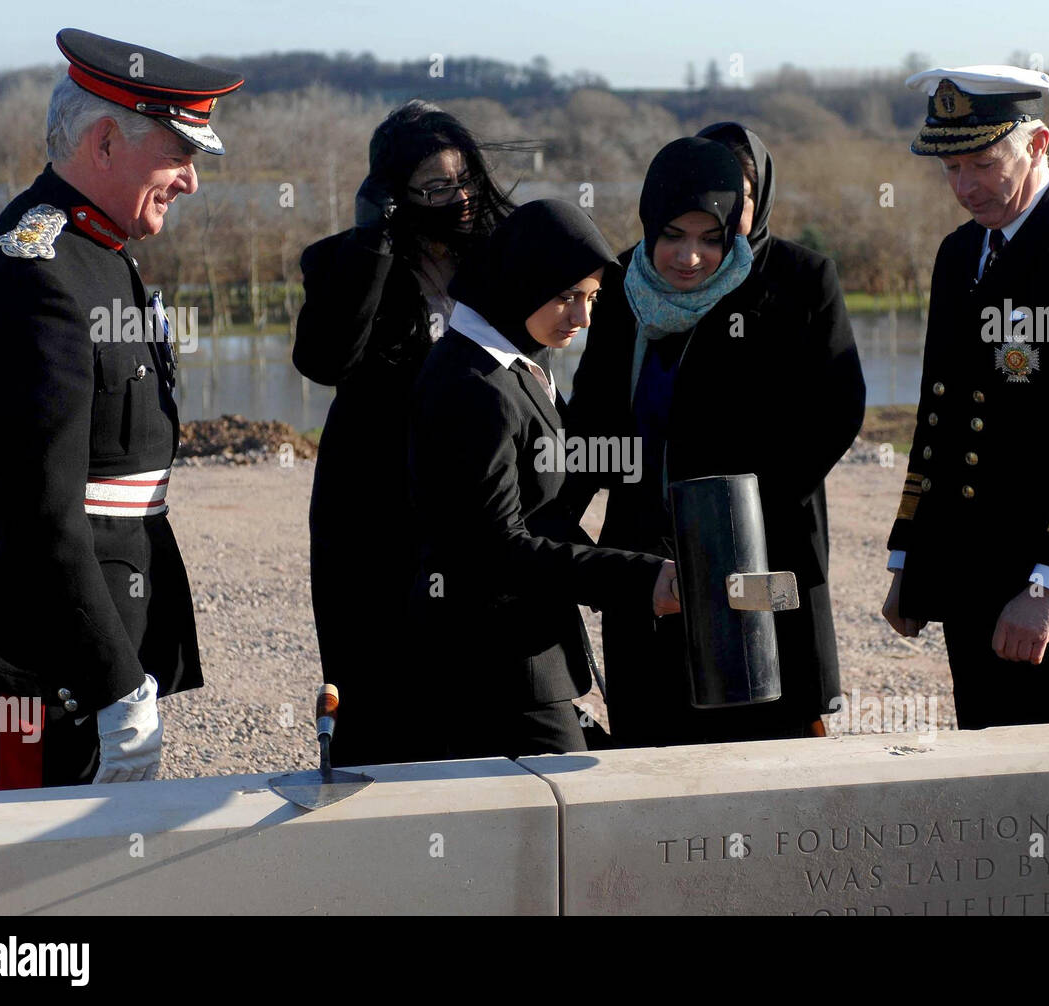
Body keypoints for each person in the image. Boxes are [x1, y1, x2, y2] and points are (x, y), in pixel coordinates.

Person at [0, 29, 243, 791]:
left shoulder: (94, 251)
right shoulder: (37, 273)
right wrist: (114, 681)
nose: (191, 182)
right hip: (37, 656)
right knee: (31, 875)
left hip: (82, 632)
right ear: (107, 141)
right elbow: (38, 515)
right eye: (180, 155)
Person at [881, 66, 1049, 729]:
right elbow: (940, 417)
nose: (965, 185)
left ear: (1038, 145)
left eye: (983, 162)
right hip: (968, 577)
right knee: (985, 787)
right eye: (951, 168)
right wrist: (909, 558)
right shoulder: (959, 254)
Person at [564, 135, 864, 748]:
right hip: (648, 561)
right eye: (672, 235)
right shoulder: (620, 286)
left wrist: (734, 525)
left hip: (761, 551)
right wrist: (555, 526)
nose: (690, 257)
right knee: (653, 751)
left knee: (767, 746)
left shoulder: (801, 280)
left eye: (709, 237)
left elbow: (835, 412)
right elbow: (592, 424)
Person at [408, 199, 680, 759]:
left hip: (527, 655)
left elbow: (543, 514)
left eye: (593, 299)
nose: (582, 318)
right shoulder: (475, 385)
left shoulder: (518, 360)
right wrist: (637, 579)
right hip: (493, 665)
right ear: (521, 280)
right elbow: (495, 548)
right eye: (567, 296)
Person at [293, 101, 514, 767]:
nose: (461, 198)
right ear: (395, 192)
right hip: (371, 516)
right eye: (437, 187)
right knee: (382, 696)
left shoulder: (501, 261)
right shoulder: (342, 260)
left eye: (466, 178)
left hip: (474, 504)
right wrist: (374, 241)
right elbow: (326, 360)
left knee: (474, 696)